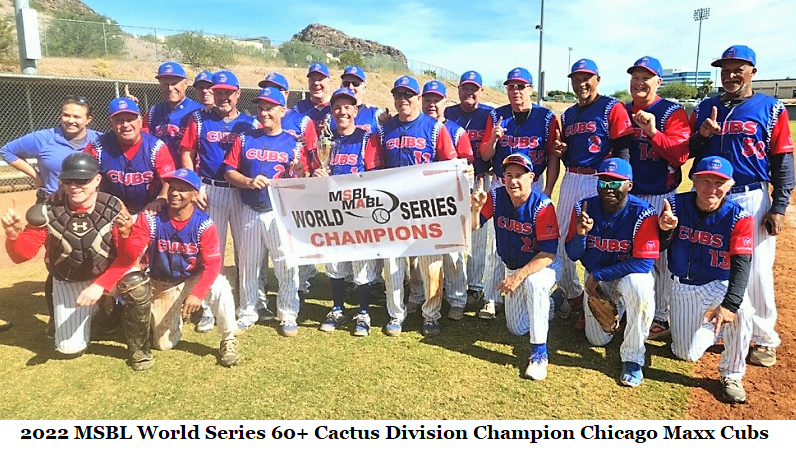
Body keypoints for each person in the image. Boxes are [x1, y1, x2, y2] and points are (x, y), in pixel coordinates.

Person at [689, 45, 794, 368]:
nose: (731, 75)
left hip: (750, 195)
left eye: (738, 69)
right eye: (725, 69)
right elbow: (689, 150)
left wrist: (779, 205)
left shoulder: (771, 107)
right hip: (712, 195)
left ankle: (763, 337)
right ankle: (722, 328)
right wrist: (703, 134)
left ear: (753, 72)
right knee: (712, 262)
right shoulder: (707, 106)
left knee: (757, 268)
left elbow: (783, 159)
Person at [76, 168, 239, 370]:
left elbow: (213, 263)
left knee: (220, 284)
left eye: (182, 189)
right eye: (172, 188)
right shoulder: (151, 219)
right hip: (159, 283)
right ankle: (168, 316)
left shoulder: (204, 225)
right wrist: (126, 234)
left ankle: (228, 339)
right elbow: (129, 257)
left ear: (195, 195)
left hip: (189, 279)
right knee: (163, 345)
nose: (174, 193)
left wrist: (197, 294)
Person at [364, 75, 462, 337]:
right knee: (393, 263)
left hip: (426, 207)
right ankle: (396, 314)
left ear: (418, 99)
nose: (403, 100)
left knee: (431, 262)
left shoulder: (433, 128)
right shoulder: (383, 129)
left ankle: (431, 314)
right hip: (392, 206)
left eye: (408, 95)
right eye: (398, 95)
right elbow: (372, 167)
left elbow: (450, 164)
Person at [3, 153, 129, 356]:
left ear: (97, 180)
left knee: (136, 282)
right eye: (69, 180)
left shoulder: (112, 207)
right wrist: (13, 236)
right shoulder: (47, 210)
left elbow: (128, 255)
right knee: (69, 349)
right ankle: (96, 313)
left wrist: (101, 285)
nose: (75, 185)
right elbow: (21, 256)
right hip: (69, 280)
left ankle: (110, 311)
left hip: (106, 276)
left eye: (82, 180)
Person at [1, 95, 100, 337]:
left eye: (77, 116)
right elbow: (7, 150)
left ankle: (99, 312)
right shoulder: (43, 138)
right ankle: (56, 316)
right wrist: (36, 175)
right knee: (57, 260)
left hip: (86, 207)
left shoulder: (98, 139)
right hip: (51, 204)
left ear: (88, 119)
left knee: (92, 255)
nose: (70, 120)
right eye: (66, 114)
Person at [658, 156, 754, 403]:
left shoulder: (739, 217)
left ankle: (732, 374)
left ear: (729, 186)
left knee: (742, 310)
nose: (712, 188)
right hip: (684, 285)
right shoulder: (675, 205)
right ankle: (710, 329)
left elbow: (742, 265)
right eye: (706, 181)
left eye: (719, 182)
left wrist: (730, 305)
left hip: (718, 284)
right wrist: (665, 230)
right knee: (685, 354)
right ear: (695, 180)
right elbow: (660, 245)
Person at [555, 59, 634, 329]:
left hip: (600, 181)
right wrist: (562, 152)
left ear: (597, 79)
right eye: (576, 79)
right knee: (563, 238)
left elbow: (623, 149)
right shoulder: (567, 115)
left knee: (597, 242)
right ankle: (576, 295)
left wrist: (620, 186)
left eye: (586, 78)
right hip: (572, 178)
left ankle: (605, 303)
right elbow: (567, 152)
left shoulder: (612, 107)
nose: (581, 84)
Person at [179, 70, 260, 333]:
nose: (223, 97)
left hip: (240, 191)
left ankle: (248, 307)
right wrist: (194, 186)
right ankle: (208, 309)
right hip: (209, 190)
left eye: (228, 92)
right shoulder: (199, 119)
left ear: (238, 94)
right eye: (218, 92)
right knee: (210, 252)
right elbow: (187, 152)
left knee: (246, 252)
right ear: (212, 93)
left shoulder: (249, 123)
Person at [565, 158, 658, 387]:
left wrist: (597, 275)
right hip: (599, 285)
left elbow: (644, 264)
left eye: (616, 183)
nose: (609, 189)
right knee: (596, 340)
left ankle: (633, 358)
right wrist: (580, 234)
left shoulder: (643, 213)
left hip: (625, 278)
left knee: (639, 288)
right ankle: (624, 313)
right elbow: (573, 254)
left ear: (629, 185)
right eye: (604, 182)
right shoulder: (583, 208)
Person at [478, 67, 560, 320]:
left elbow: (553, 155)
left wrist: (547, 189)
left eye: (521, 86)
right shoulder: (497, 115)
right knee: (496, 242)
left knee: (535, 241)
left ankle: (535, 288)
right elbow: (485, 155)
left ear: (531, 89)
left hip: (533, 182)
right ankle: (490, 298)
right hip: (503, 184)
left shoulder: (546, 117)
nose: (516, 91)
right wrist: (493, 138)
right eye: (511, 86)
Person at [222, 87, 305, 337]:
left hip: (279, 212)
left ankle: (288, 312)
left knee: (284, 263)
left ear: (282, 110)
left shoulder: (293, 142)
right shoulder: (246, 137)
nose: (264, 112)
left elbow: (304, 177)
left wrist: (300, 171)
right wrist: (247, 181)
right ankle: (248, 311)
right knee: (248, 264)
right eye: (261, 107)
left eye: (270, 107)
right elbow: (229, 171)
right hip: (249, 207)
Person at [470, 153, 559, 380]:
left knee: (535, 284)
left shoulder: (542, 205)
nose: (513, 181)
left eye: (519, 175)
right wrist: (474, 208)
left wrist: (517, 278)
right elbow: (473, 226)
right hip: (513, 267)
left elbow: (548, 254)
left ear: (532, 177)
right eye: (508, 175)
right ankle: (552, 303)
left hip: (542, 267)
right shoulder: (498, 197)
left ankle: (539, 354)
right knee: (516, 328)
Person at [624, 56, 691, 339]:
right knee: (629, 254)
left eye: (646, 77)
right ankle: (631, 307)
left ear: (658, 82)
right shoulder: (623, 110)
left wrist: (652, 131)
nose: (639, 82)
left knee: (660, 259)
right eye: (635, 77)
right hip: (628, 195)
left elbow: (680, 155)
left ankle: (661, 316)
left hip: (660, 194)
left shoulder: (671, 112)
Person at [312, 88, 379, 336]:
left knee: (362, 262)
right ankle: (338, 307)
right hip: (332, 210)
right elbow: (313, 172)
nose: (342, 112)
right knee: (334, 260)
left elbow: (375, 172)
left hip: (359, 209)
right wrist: (317, 174)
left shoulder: (366, 138)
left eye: (347, 107)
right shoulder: (326, 142)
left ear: (355, 111)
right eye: (337, 107)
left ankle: (363, 311)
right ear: (331, 111)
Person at [419, 80, 473, 320]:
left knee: (453, 252)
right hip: (420, 200)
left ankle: (457, 298)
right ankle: (420, 295)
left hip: (449, 197)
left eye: (437, 100)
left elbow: (467, 163)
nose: (432, 104)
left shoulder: (455, 130)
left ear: (445, 103)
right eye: (428, 99)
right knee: (422, 251)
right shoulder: (415, 125)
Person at [445, 70, 497, 306]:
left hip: (480, 177)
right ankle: (453, 279)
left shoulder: (489, 114)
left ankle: (475, 284)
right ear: (459, 90)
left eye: (474, 89)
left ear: (481, 91)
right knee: (453, 229)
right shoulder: (448, 113)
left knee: (478, 233)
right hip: (452, 179)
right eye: (466, 88)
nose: (469, 92)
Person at [83, 97, 175, 215]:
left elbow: (169, 181)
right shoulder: (98, 146)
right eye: (119, 120)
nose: (125, 125)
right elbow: (82, 178)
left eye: (130, 119)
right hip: (109, 210)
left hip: (149, 210)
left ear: (140, 121)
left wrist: (161, 199)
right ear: (110, 122)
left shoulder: (156, 147)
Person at [141, 61, 203, 162]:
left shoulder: (199, 111)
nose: (170, 88)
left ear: (185, 84)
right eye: (165, 84)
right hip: (160, 172)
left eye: (174, 83)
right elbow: (143, 141)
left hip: (188, 173)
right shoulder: (153, 112)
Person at [336, 65, 381, 133]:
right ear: (341, 86)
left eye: (355, 83)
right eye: (346, 83)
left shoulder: (376, 114)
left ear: (364, 88)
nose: (350, 87)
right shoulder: (333, 114)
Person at [293, 62, 332, 131]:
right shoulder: (299, 108)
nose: (316, 83)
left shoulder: (337, 108)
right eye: (312, 79)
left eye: (320, 79)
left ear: (329, 82)